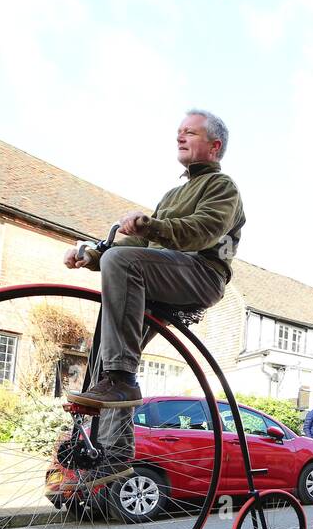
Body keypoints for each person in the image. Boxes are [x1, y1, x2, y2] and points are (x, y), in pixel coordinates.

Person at [62, 110, 245, 488]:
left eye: (190, 133)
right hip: (161, 277)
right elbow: (135, 246)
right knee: (106, 344)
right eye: (178, 132)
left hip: (200, 275)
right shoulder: (173, 194)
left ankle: (121, 377)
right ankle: (112, 452)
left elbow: (201, 232)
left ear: (215, 146)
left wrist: (151, 226)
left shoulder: (222, 188)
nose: (180, 137)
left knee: (118, 360)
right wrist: (91, 256)